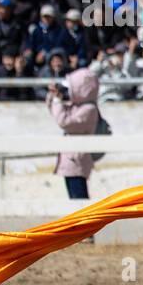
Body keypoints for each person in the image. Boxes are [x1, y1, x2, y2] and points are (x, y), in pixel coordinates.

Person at [47, 67, 101, 199]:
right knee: (74, 198)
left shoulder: (89, 109)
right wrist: (54, 96)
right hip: (70, 160)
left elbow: (63, 121)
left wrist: (57, 101)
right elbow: (55, 111)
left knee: (79, 200)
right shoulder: (78, 105)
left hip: (77, 161)